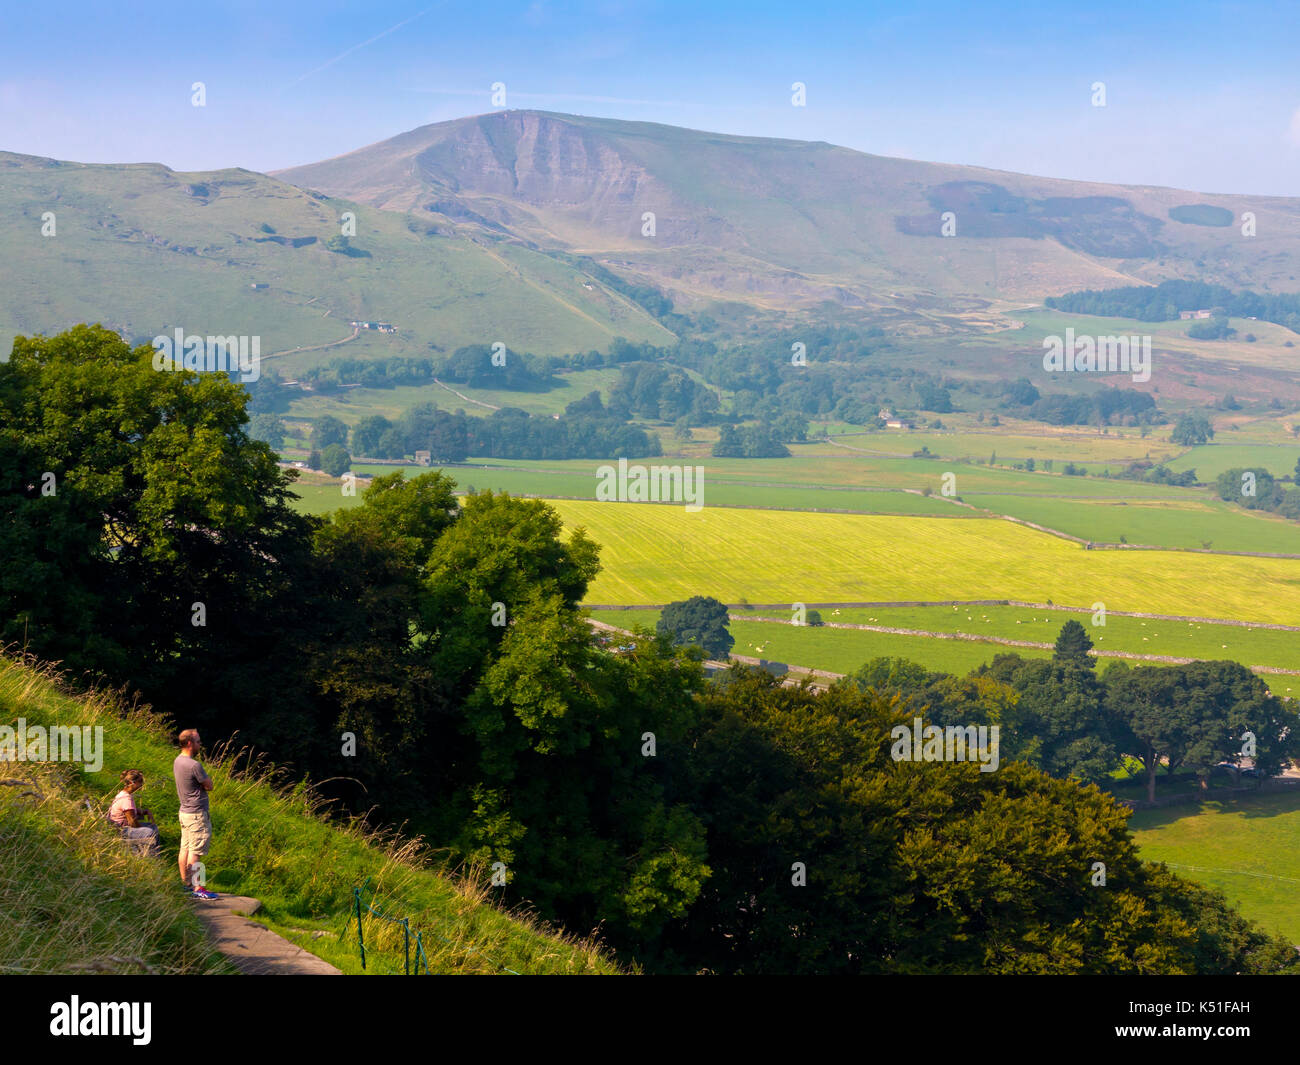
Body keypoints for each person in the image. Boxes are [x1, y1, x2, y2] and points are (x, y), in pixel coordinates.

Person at [173, 728, 218, 900]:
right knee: (196, 851)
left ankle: (185, 884)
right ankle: (198, 887)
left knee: (184, 848)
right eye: (198, 741)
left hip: (184, 812)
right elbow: (209, 785)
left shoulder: (178, 761)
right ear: (190, 743)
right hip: (197, 814)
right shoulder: (194, 765)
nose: (201, 744)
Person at [108, 769, 161, 857]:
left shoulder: (124, 794)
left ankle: (155, 855)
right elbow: (132, 821)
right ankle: (152, 856)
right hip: (121, 830)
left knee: (153, 827)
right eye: (140, 781)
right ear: (131, 783)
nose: (142, 784)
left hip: (122, 827)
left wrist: (144, 812)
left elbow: (130, 811)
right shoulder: (126, 799)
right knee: (151, 832)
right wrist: (142, 829)